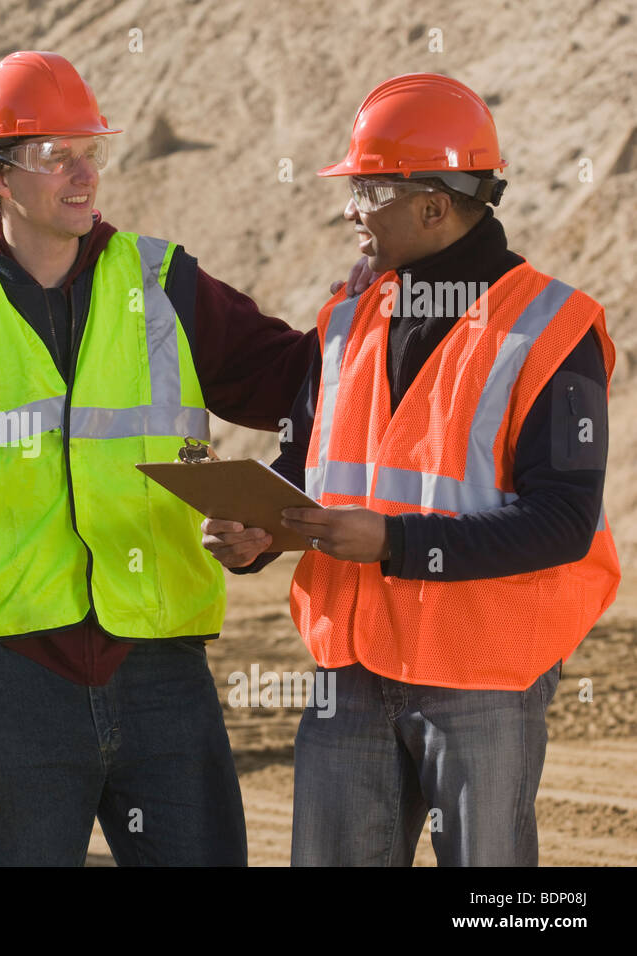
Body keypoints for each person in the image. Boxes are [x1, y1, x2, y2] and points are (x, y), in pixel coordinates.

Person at [0, 51, 341, 866]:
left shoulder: (164, 285)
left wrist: (279, 501)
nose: (84, 175)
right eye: (57, 156)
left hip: (161, 670)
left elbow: (308, 381)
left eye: (93, 151)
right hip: (10, 684)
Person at [202, 73, 621, 866]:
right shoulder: (344, 319)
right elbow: (306, 470)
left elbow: (563, 522)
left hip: (484, 670)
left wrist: (393, 542)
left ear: (435, 204)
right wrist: (262, 534)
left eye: (369, 188)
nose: (350, 208)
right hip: (349, 668)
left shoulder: (553, 327)